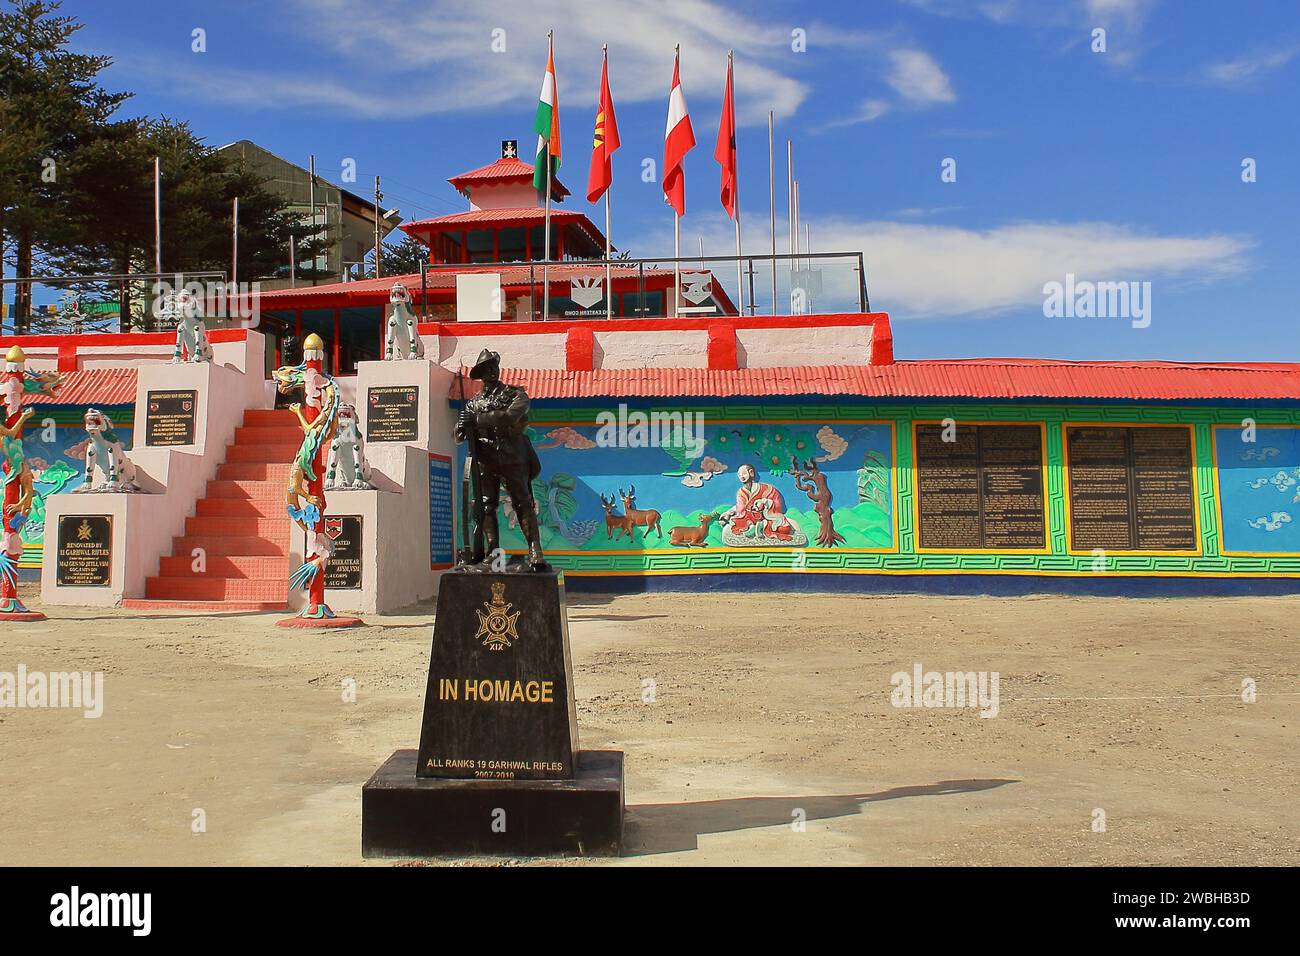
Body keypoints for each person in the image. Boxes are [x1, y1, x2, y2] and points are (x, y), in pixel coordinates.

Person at [454, 348, 547, 570]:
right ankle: (493, 551)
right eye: (487, 369)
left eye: (494, 366)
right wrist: (463, 425)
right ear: (481, 374)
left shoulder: (515, 395)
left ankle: (535, 549)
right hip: (485, 460)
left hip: (512, 456)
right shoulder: (472, 404)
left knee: (522, 503)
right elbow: (457, 435)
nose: (492, 371)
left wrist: (477, 419)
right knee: (486, 506)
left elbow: (510, 416)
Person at [721, 463, 795, 541]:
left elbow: (777, 504)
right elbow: (740, 508)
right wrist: (728, 513)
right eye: (739, 475)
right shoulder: (741, 492)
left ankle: (761, 526)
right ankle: (752, 527)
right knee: (736, 522)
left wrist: (765, 502)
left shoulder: (767, 489)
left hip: (767, 517)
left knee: (785, 528)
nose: (741, 477)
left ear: (751, 473)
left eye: (744, 474)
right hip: (749, 517)